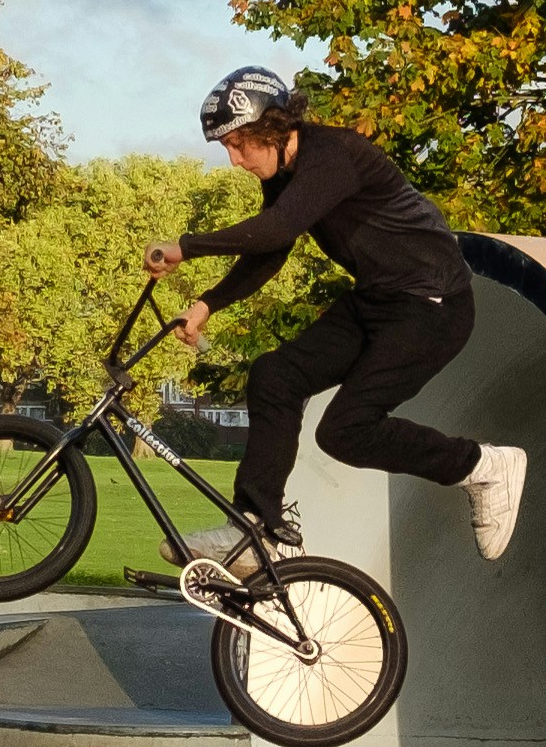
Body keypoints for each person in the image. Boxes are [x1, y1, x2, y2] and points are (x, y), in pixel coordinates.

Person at [143, 67, 525, 574]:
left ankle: (484, 466)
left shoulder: (334, 154)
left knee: (346, 429)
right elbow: (272, 247)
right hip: (376, 301)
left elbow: (276, 228)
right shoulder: (286, 173)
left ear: (270, 127)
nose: (234, 160)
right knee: (275, 376)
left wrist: (186, 247)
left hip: (432, 306)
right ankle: (256, 528)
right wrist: (208, 304)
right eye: (227, 148)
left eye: (238, 144)